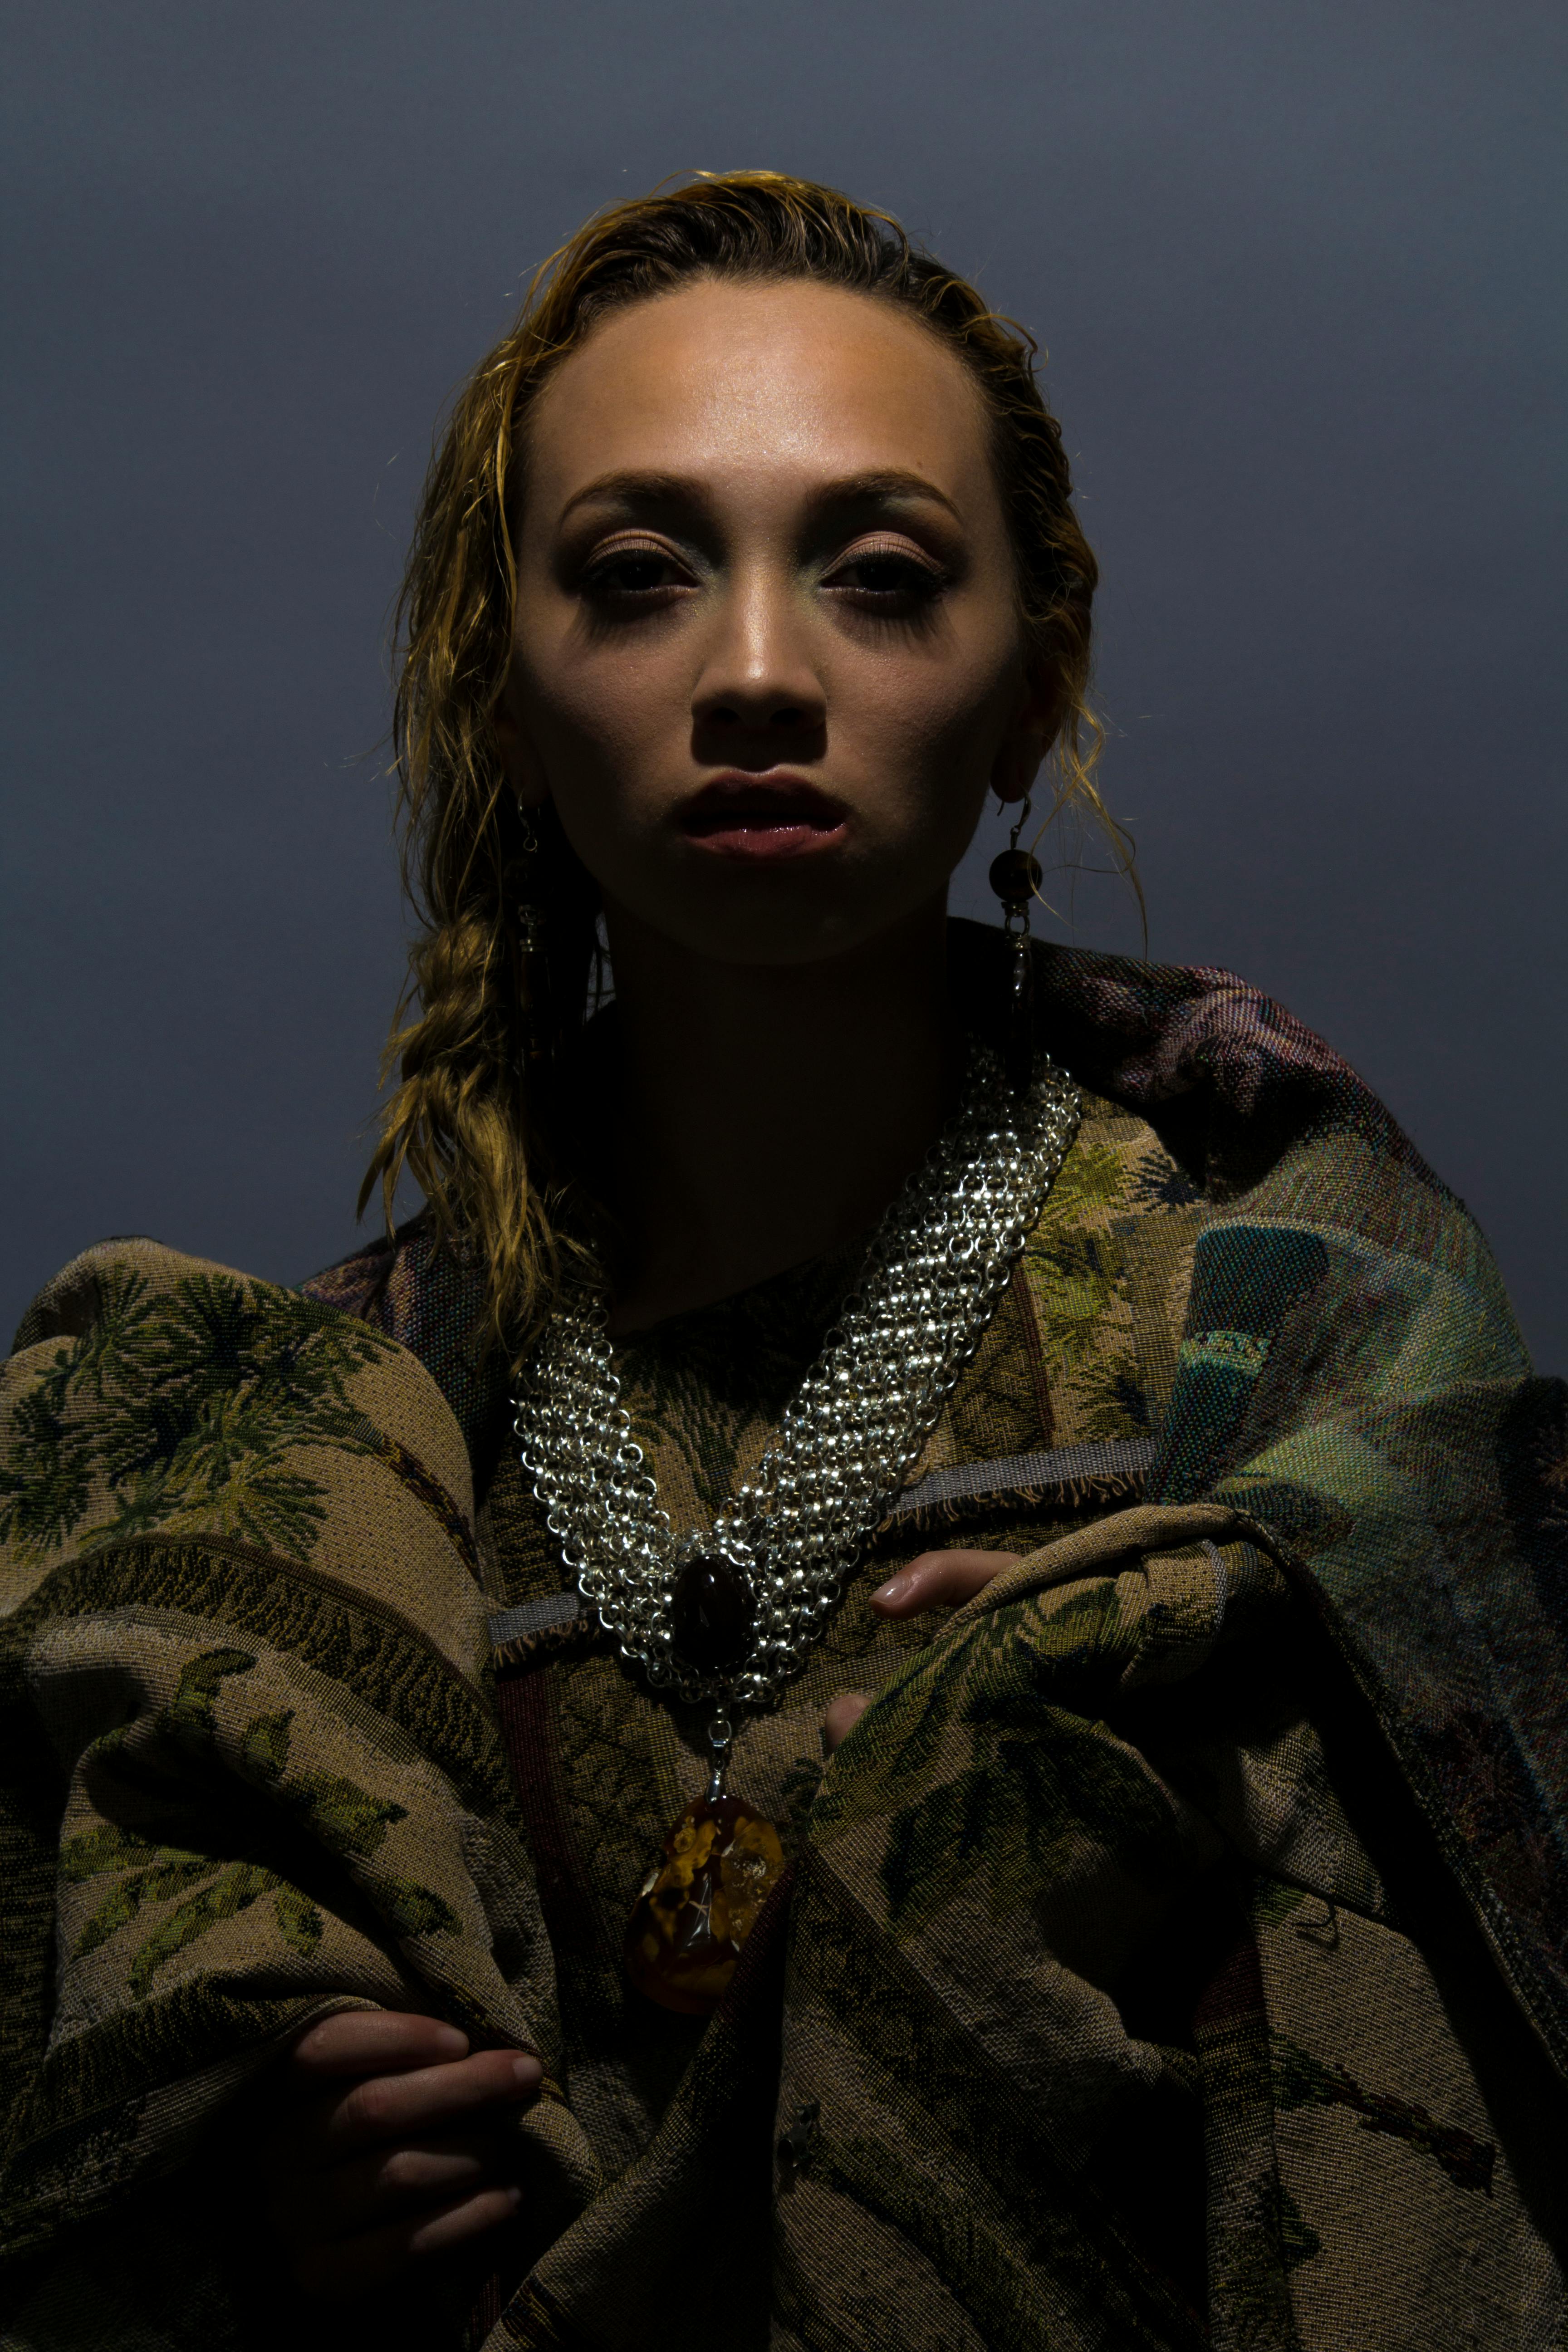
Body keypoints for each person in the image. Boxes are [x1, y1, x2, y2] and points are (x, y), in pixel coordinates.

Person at [2, 172, 1564, 2352]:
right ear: (511, 695)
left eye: (883, 574)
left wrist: (1170, 1665)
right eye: (641, 579)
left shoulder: (1265, 1285)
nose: (755, 672)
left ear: (1034, 688)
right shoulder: (339, 1438)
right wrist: (246, 2177)